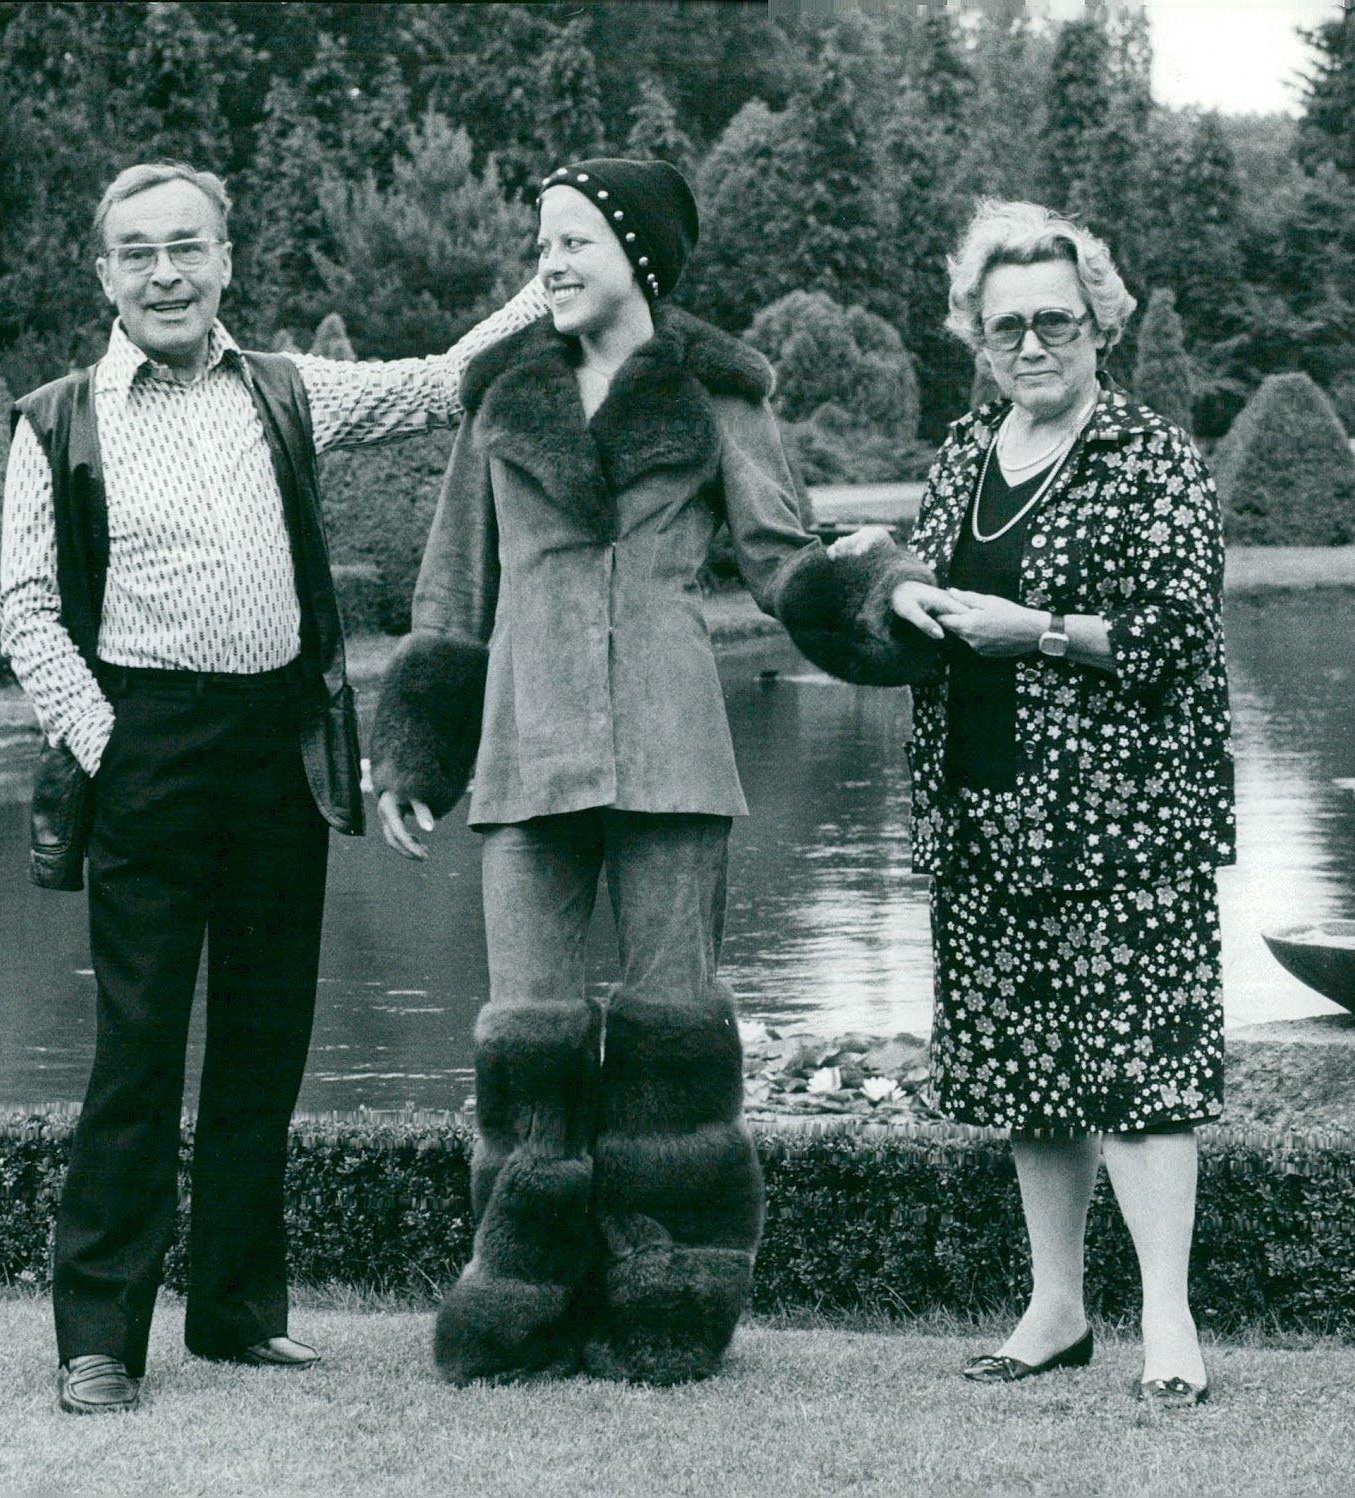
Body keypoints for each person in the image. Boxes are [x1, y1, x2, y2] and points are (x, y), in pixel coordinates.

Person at [365, 158, 935, 1386]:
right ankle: (522, 1293)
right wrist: (415, 748)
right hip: (524, 749)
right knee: (527, 1033)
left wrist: (887, 597)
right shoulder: (497, 399)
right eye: (542, 243)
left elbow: (786, 562)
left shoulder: (720, 397)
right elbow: (451, 592)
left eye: (572, 241)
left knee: (674, 1034)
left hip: (674, 747)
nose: (549, 264)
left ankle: (670, 1292)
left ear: (637, 252)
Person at [0, 160, 547, 1415]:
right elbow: (28, 612)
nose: (164, 273)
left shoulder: (288, 392)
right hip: (142, 746)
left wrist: (549, 282)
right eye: (136, 253)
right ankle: (98, 1339)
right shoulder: (55, 418)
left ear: (226, 260)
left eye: (185, 247)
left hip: (276, 754)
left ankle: (238, 1314)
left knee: (263, 1045)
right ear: (103, 276)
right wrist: (106, 745)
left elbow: (434, 382)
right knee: (135, 1052)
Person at [834, 198, 1234, 1407]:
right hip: (983, 805)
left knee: (1141, 1069)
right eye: (1002, 325)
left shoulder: (1151, 455)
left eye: (1053, 320)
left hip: (1124, 816)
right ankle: (1054, 1310)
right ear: (973, 333)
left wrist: (1039, 632)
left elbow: (1174, 632)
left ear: (1099, 321)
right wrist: (894, 581)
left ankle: (1167, 1322)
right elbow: (931, 587)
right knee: (1028, 1071)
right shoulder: (962, 454)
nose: (1030, 346)